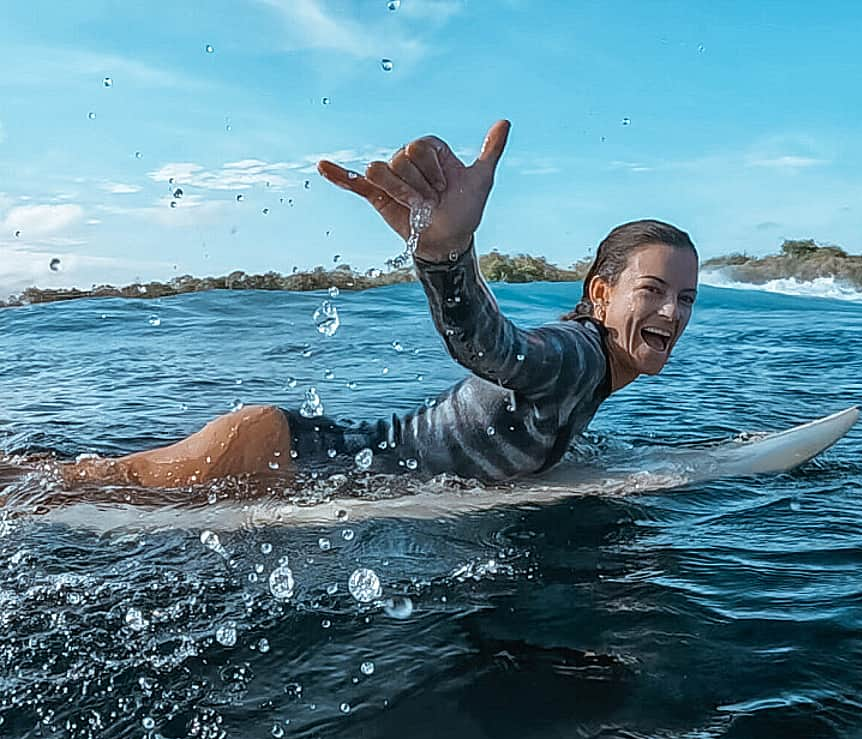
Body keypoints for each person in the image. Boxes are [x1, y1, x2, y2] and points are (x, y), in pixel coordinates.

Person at [58, 120, 699, 488]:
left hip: (282, 446)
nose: (672, 312)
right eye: (653, 290)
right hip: (278, 458)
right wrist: (445, 254)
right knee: (62, 500)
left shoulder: (592, 372)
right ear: (600, 294)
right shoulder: (575, 356)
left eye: (686, 298)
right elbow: (489, 346)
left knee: (63, 484)